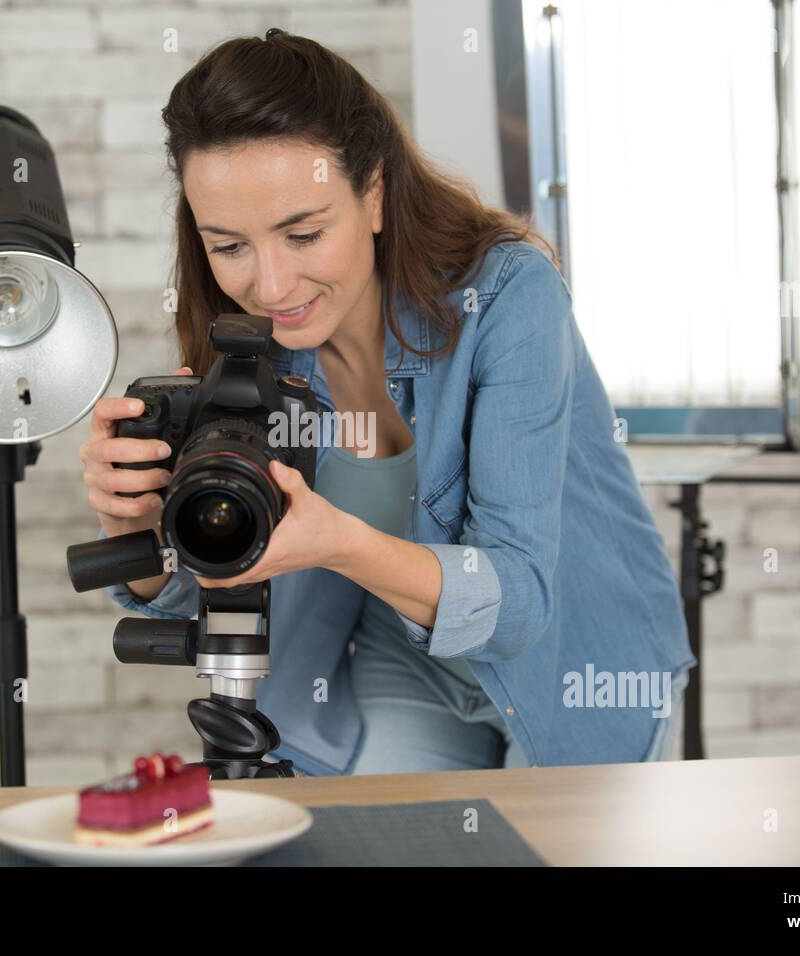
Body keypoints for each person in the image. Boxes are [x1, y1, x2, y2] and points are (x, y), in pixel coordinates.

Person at [80, 30, 696, 776]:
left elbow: (519, 606)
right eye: (230, 245)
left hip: (577, 663)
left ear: (372, 193)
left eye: (303, 233)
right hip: (407, 661)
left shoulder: (509, 298)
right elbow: (197, 598)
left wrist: (337, 542)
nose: (271, 288)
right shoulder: (245, 352)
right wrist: (137, 526)